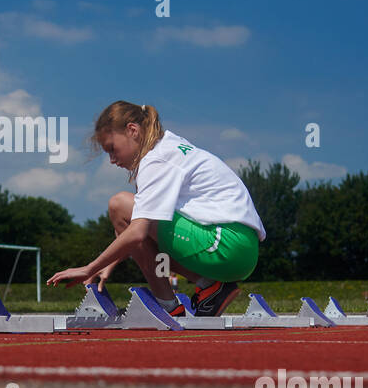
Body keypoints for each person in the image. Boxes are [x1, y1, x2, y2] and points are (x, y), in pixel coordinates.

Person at [47, 101, 266, 317]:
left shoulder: (156, 160)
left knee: (120, 204)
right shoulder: (169, 146)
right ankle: (209, 286)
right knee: (134, 218)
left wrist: (90, 268)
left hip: (225, 245)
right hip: (240, 250)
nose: (112, 160)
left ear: (132, 130)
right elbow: (139, 235)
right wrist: (110, 263)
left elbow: (138, 231)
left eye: (113, 149)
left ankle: (168, 307)